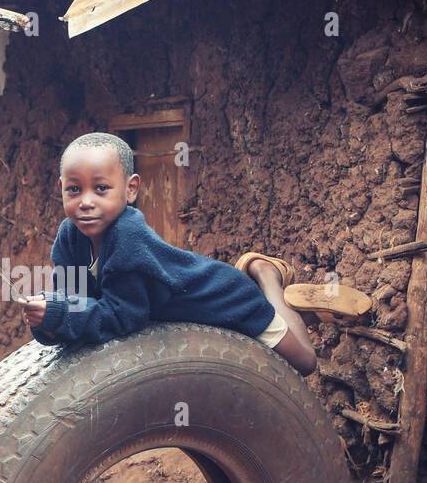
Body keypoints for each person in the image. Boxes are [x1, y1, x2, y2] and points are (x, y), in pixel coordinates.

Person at [21, 131, 322, 374]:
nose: (86, 201)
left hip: (225, 298)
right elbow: (75, 300)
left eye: (101, 188)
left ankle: (266, 275)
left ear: (130, 189)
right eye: (74, 190)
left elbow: (123, 316)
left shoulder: (128, 236)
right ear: (61, 188)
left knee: (305, 362)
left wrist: (60, 312)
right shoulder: (68, 236)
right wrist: (48, 317)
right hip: (180, 302)